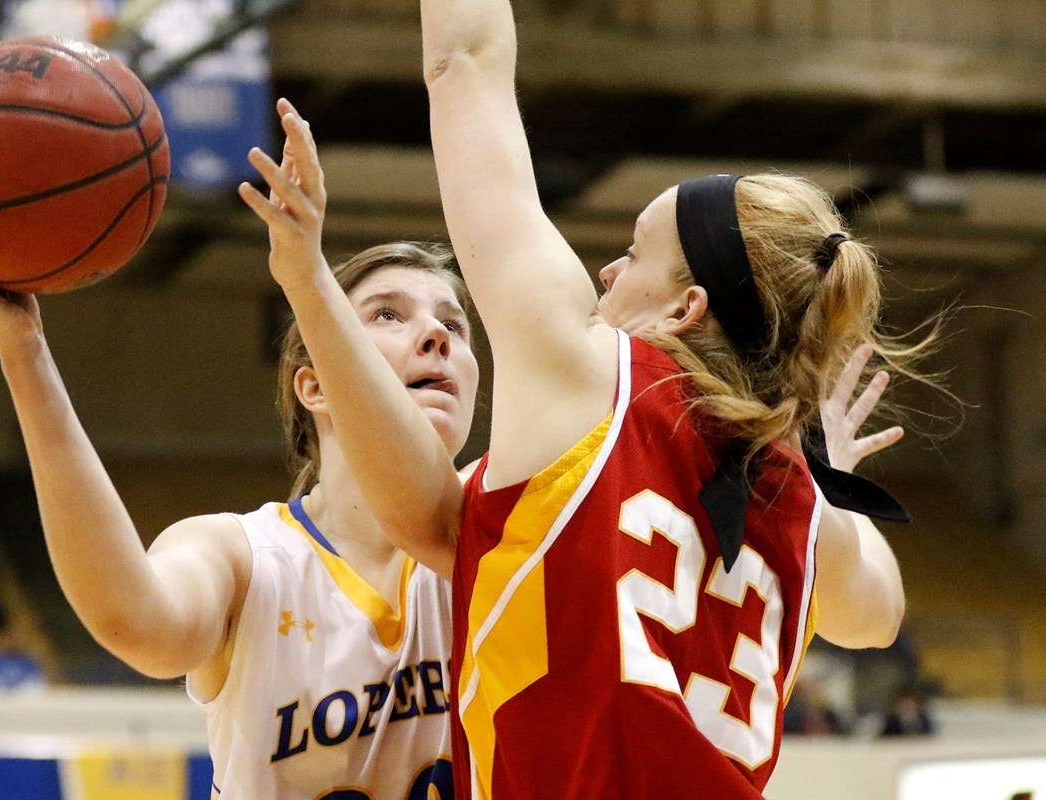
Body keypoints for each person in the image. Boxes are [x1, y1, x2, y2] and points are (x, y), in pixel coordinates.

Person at [240, 5, 949, 794]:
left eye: (634, 251)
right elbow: (877, 613)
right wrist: (824, 485)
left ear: (686, 309)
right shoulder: (811, 521)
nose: (607, 273)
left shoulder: (588, 379)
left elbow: (464, 64)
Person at [0, 101, 479, 797]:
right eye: (388, 314)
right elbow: (136, 622)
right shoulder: (246, 556)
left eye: (454, 322)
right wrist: (23, 353)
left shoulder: (512, 530)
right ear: (315, 386)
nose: (437, 335)